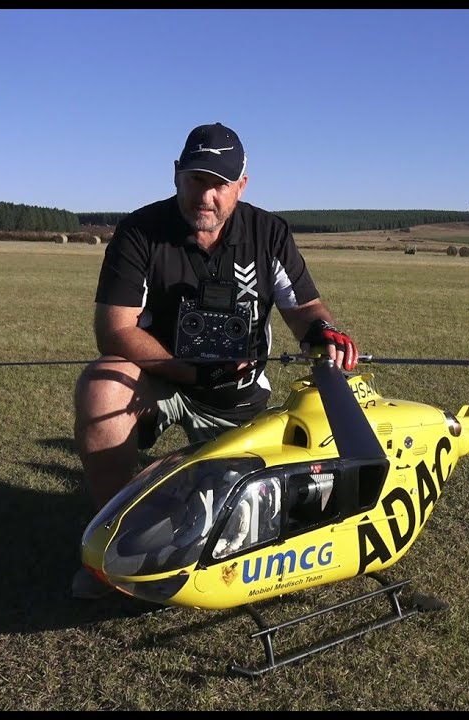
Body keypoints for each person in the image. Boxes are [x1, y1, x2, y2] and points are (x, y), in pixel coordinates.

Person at [70, 122, 358, 599]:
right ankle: (115, 553)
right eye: (197, 180)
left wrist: (321, 332)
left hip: (241, 396)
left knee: (229, 509)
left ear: (241, 185)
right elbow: (114, 330)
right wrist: (188, 369)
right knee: (102, 382)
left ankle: (181, 508)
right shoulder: (140, 231)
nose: (207, 196)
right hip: (164, 379)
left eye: (220, 183)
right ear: (177, 175)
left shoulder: (268, 233)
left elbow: (304, 308)